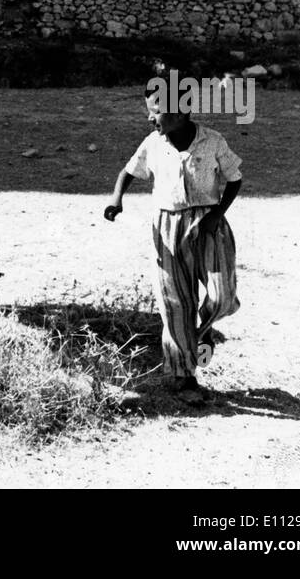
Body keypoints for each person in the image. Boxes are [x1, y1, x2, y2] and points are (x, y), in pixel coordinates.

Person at [104, 77, 242, 405]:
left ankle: (204, 329)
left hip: (208, 225)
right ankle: (185, 377)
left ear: (180, 112)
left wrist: (216, 214)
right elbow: (128, 172)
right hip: (167, 229)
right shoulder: (153, 143)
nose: (150, 118)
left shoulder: (212, 141)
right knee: (175, 302)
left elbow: (235, 178)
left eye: (155, 112)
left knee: (222, 296)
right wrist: (116, 199)